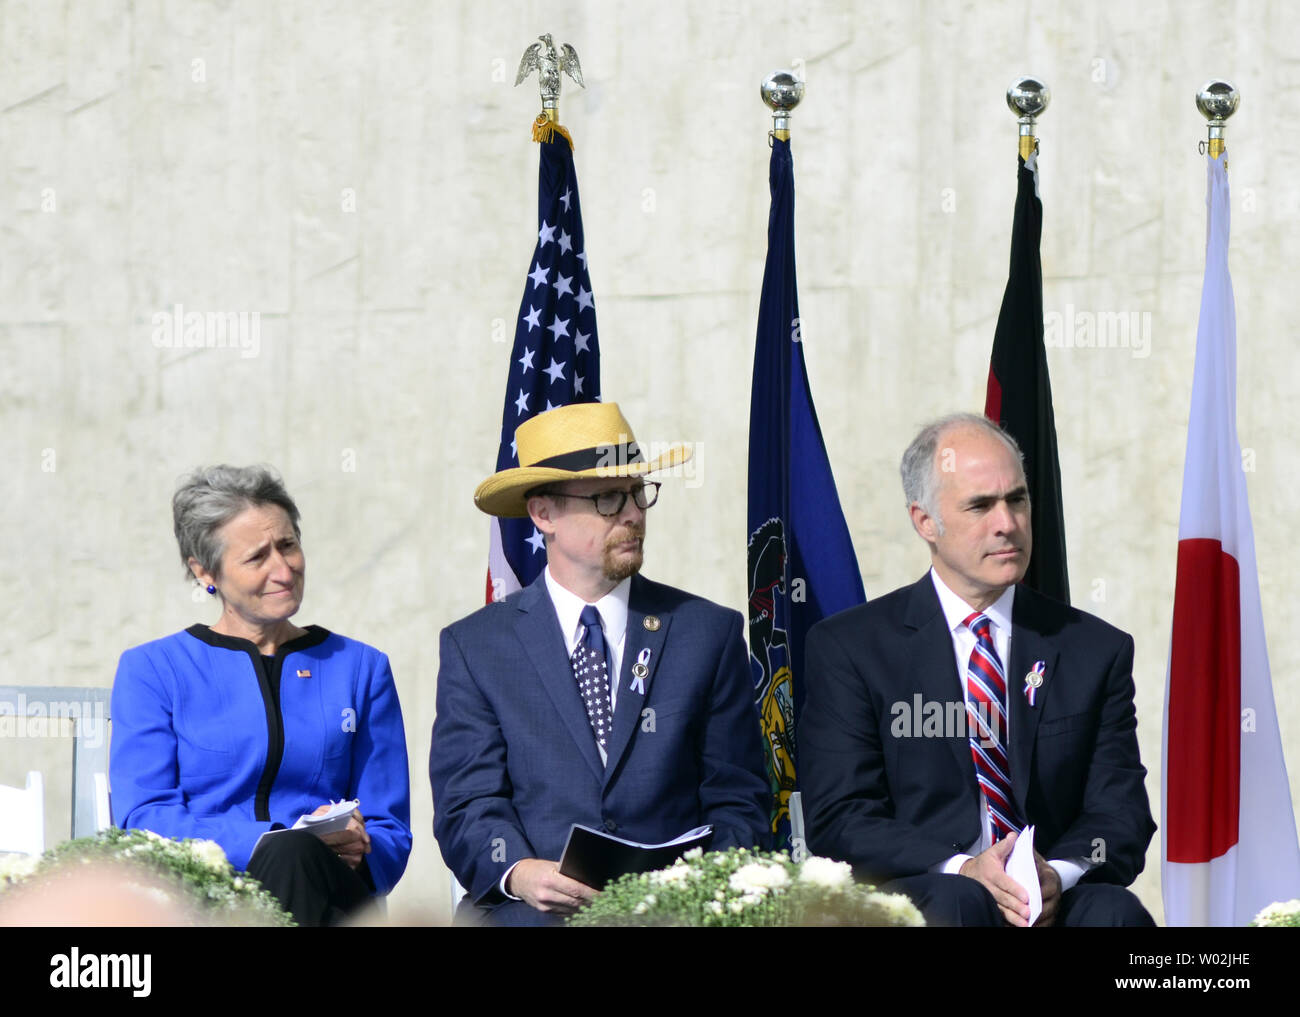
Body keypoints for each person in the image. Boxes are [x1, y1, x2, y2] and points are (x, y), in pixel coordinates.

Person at [799, 413, 1156, 927]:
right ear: (925, 521)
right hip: (927, 892)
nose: (1006, 523)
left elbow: (1121, 815)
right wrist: (964, 869)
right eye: (980, 506)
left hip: (1049, 899)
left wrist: (1056, 872)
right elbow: (841, 818)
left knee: (1114, 912)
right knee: (957, 904)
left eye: (1017, 499)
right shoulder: (851, 648)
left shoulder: (1092, 649)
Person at [430, 402, 771, 926]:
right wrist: (520, 871)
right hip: (537, 912)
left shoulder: (707, 632)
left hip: (677, 908)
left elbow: (738, 795)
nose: (633, 514)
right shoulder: (477, 646)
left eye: (639, 493)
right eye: (610, 498)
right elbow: (468, 803)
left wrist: (705, 890)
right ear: (544, 515)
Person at [110, 465, 412, 925]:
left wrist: (359, 847)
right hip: (200, 901)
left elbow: (390, 827)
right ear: (205, 572)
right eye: (257, 557)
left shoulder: (361, 668)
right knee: (290, 853)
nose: (283, 568)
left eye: (288, 545)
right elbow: (144, 817)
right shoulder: (153, 670)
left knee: (299, 862)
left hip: (335, 894)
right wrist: (272, 839)